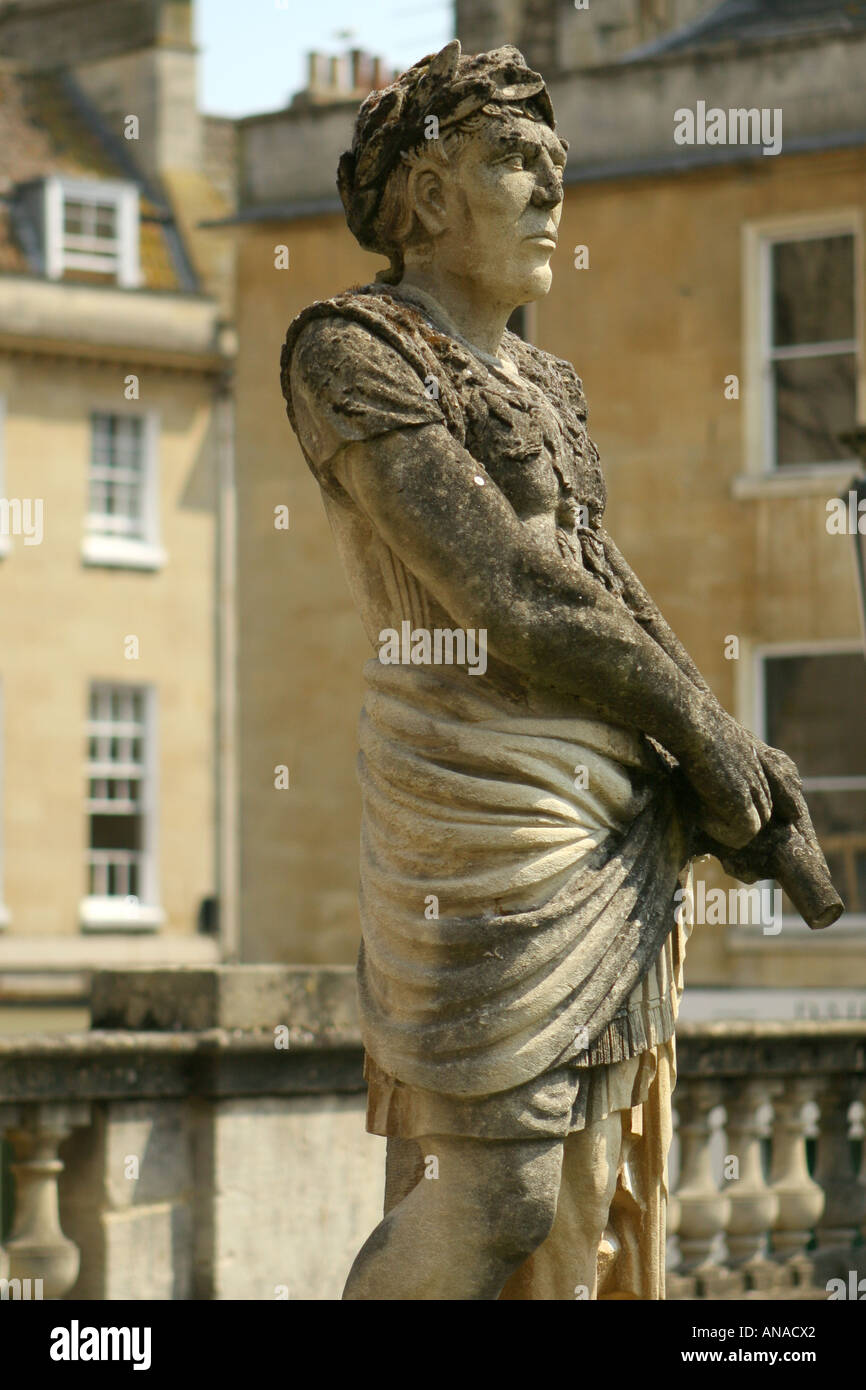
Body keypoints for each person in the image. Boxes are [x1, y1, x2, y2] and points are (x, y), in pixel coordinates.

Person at [280, 40, 805, 1300]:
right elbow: (510, 595)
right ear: (423, 193)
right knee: (499, 1186)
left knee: (581, 1198)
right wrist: (711, 742)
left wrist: (737, 753)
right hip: (474, 809)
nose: (548, 192)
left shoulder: (551, 382)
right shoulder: (350, 350)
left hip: (602, 821)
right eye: (513, 160)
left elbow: (599, 576)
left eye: (556, 164)